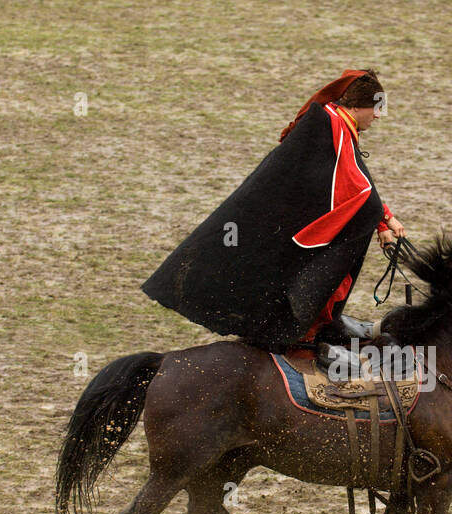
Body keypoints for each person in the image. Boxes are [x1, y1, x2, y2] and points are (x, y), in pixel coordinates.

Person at [141, 69, 404, 353]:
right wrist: (385, 219)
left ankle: (323, 323)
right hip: (287, 220)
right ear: (356, 105)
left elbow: (350, 182)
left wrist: (381, 222)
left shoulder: (336, 121)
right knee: (331, 255)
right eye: (374, 109)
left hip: (291, 214)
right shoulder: (334, 125)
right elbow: (357, 188)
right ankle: (308, 334)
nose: (377, 116)